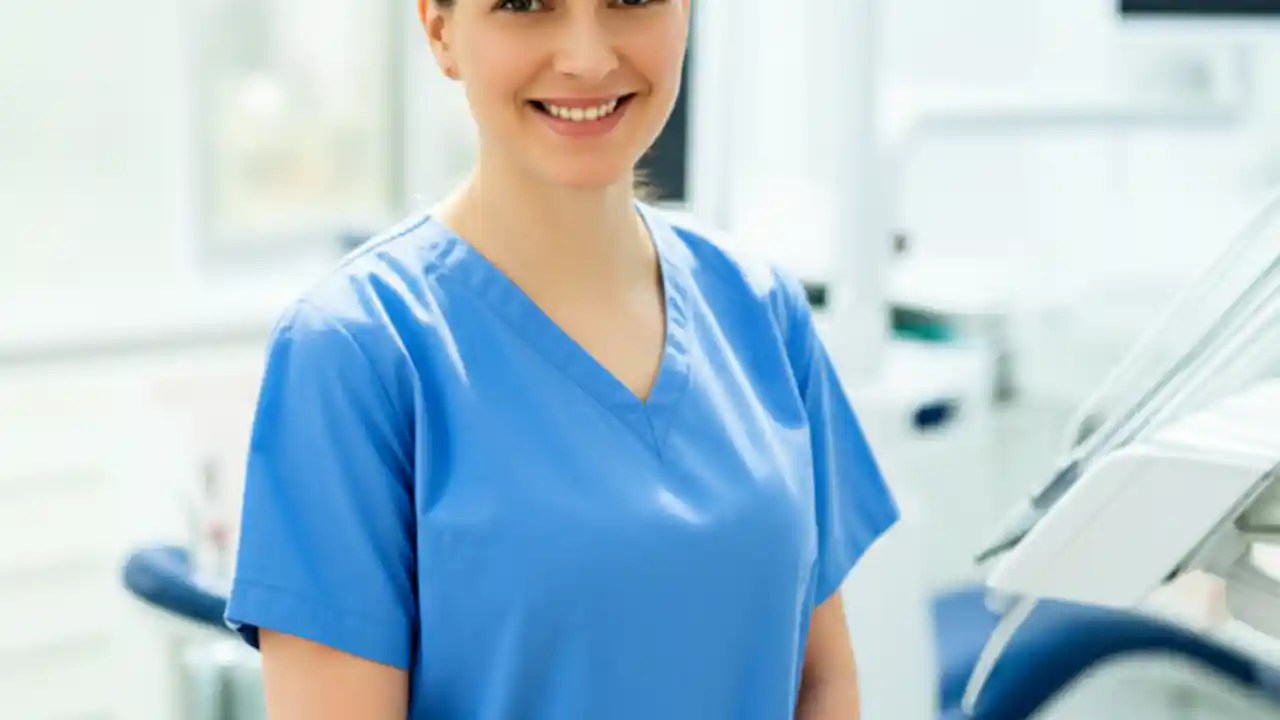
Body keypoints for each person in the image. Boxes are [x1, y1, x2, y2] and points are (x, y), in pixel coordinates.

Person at [224, 0, 899, 718]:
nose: (587, 57)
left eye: (631, 0)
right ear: (440, 29)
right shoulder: (356, 351)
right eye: (524, 4)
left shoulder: (760, 310)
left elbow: (821, 680)